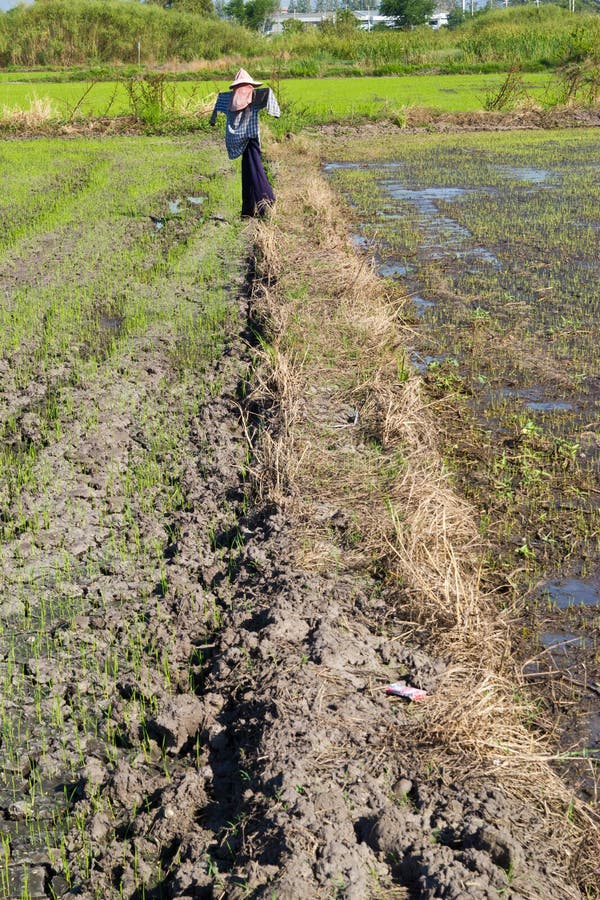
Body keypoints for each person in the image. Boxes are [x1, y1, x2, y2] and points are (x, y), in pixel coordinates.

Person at [210, 69, 280, 219]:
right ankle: (266, 201)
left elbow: (216, 107)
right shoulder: (254, 96)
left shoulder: (227, 98)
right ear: (249, 85)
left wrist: (213, 120)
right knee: (255, 169)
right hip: (252, 139)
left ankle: (248, 210)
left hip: (237, 139)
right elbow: (268, 93)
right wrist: (274, 113)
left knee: (248, 173)